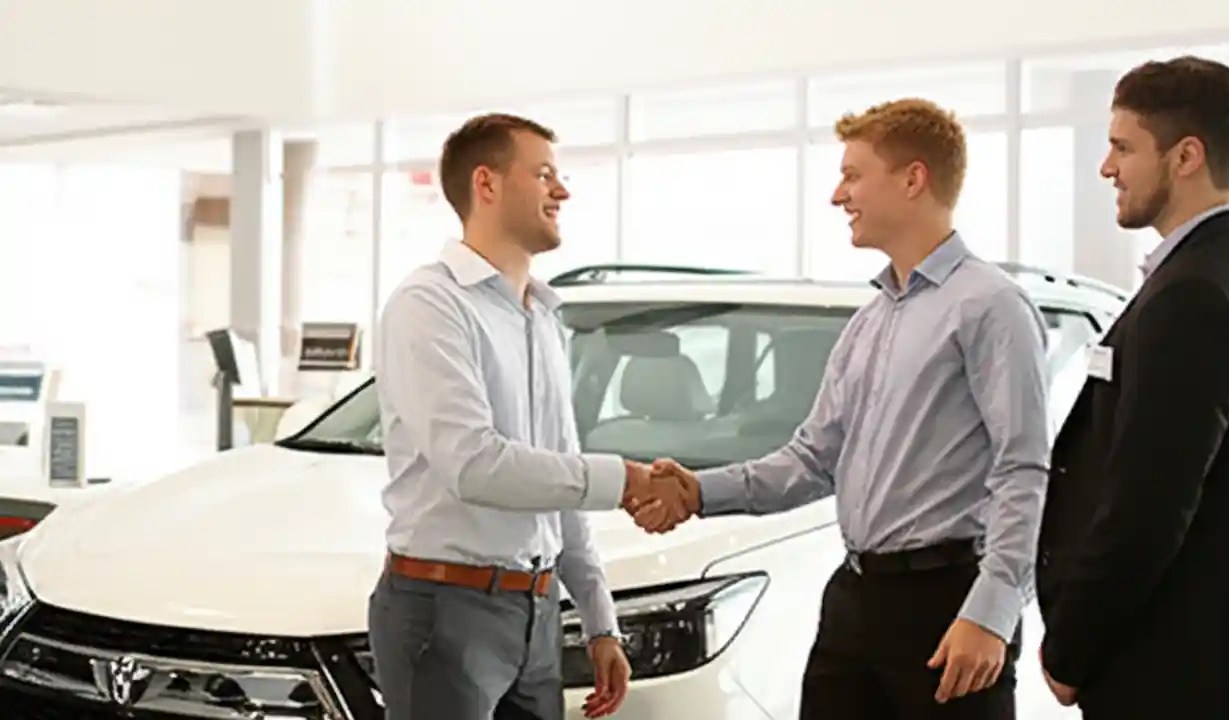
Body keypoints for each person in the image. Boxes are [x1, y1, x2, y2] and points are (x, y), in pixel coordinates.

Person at [638, 98, 1051, 719]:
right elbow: (812, 460)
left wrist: (991, 614)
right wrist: (697, 491)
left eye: (853, 174)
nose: (838, 195)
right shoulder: (870, 320)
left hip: (946, 605)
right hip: (855, 599)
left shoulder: (990, 306)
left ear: (914, 179)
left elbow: (1023, 469)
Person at [368, 112, 665, 720]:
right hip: (445, 609)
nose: (563, 191)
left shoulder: (543, 317)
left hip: (536, 611)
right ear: (487, 184)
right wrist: (627, 481)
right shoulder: (430, 303)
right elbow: (475, 466)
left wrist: (599, 619)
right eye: (545, 174)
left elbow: (560, 477)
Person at [1035, 56, 1229, 719]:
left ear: (1186, 157)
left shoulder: (1196, 293)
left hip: (1172, 670)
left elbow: (1149, 504)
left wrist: (1070, 650)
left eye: (1122, 147)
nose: (1106, 168)